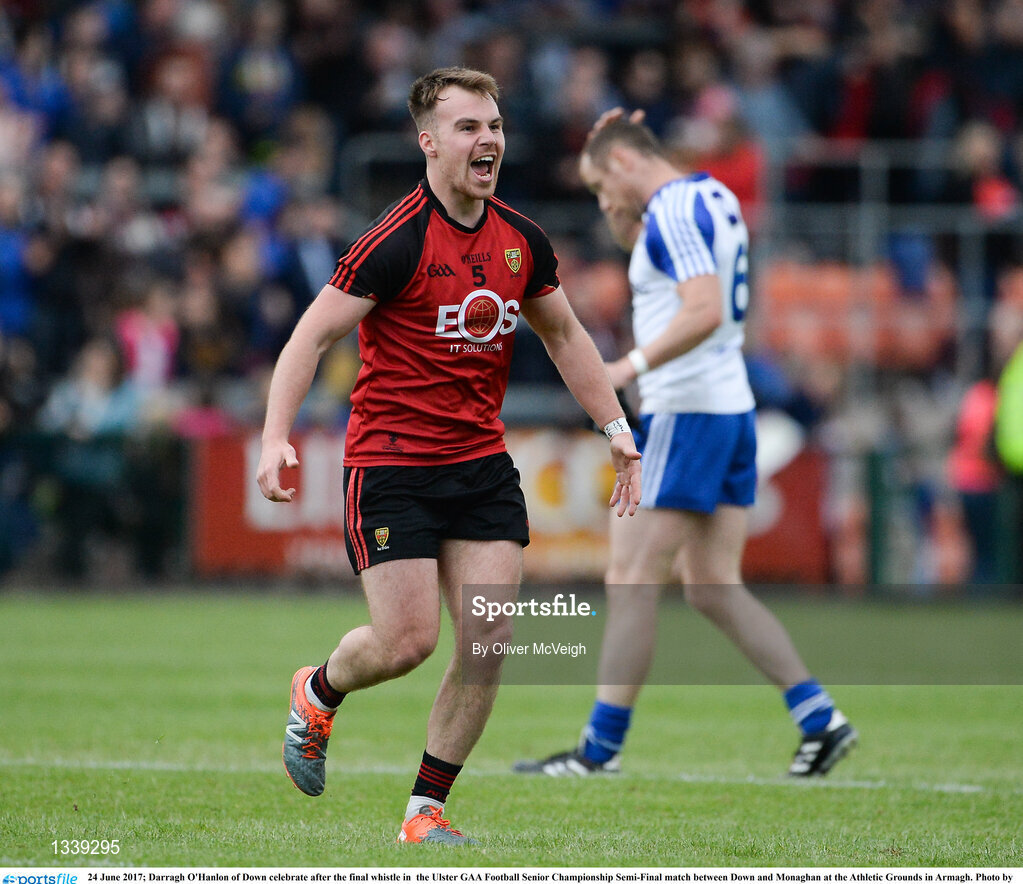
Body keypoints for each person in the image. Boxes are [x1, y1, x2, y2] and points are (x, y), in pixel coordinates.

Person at [256, 68, 642, 845]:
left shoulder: (521, 240)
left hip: (479, 465)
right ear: (428, 142)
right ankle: (318, 690)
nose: (487, 139)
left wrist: (615, 428)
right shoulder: (394, 240)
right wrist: (273, 436)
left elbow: (564, 335)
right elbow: (310, 336)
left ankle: (424, 811)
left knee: (487, 640)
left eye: (493, 125)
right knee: (407, 643)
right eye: (468, 127)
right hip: (392, 465)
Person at [514, 114, 857, 779]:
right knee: (711, 586)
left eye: (599, 187)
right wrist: (623, 206)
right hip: (729, 409)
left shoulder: (670, 209)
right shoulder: (710, 195)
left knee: (630, 578)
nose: (602, 203)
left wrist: (629, 365)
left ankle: (598, 752)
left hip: (686, 411)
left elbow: (702, 308)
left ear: (622, 164)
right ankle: (820, 719)